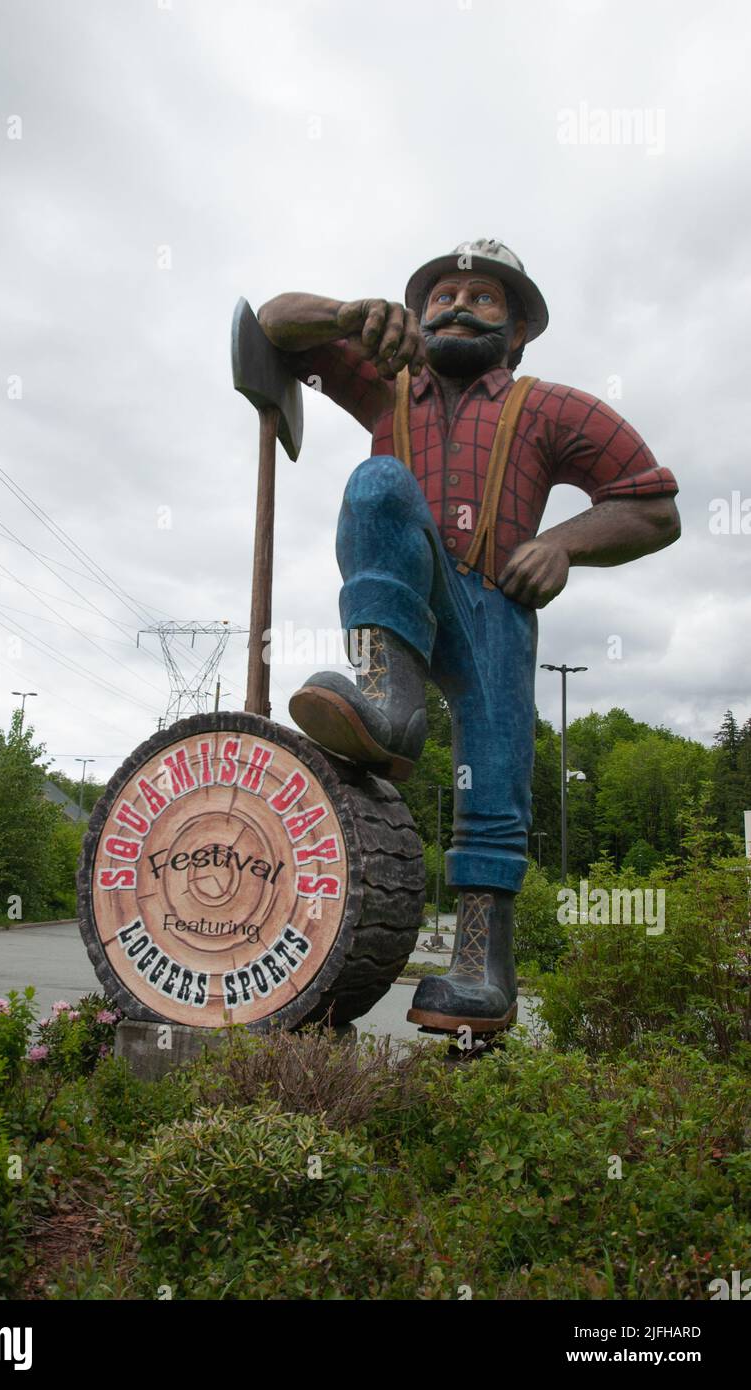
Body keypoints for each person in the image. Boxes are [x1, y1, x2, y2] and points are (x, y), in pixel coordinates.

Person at [258, 238, 680, 1034]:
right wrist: (349, 315)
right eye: (442, 296)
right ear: (415, 316)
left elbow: (654, 506)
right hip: (405, 594)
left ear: (518, 332)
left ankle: (481, 967)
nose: (457, 306)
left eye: (484, 298)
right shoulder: (388, 384)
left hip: (495, 601)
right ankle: (391, 699)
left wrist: (564, 543)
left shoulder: (549, 407)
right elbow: (275, 324)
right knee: (378, 481)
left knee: (493, 774)